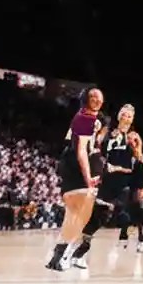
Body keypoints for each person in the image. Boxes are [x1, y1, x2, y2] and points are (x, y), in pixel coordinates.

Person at [69, 103, 136, 268]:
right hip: (105, 179)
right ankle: (77, 252)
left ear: (132, 119)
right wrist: (105, 166)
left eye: (129, 115)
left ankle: (123, 236)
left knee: (119, 212)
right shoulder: (108, 132)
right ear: (119, 115)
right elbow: (96, 151)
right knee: (97, 219)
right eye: (123, 114)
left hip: (122, 183)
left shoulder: (133, 137)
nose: (125, 117)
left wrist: (124, 165)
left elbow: (135, 163)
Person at [46, 88, 104, 271]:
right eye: (92, 96)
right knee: (82, 215)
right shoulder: (84, 118)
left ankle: (58, 255)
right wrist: (88, 177)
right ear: (85, 99)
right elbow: (80, 152)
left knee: (73, 215)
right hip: (78, 171)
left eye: (99, 96)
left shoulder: (86, 119)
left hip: (74, 169)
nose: (97, 99)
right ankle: (66, 255)